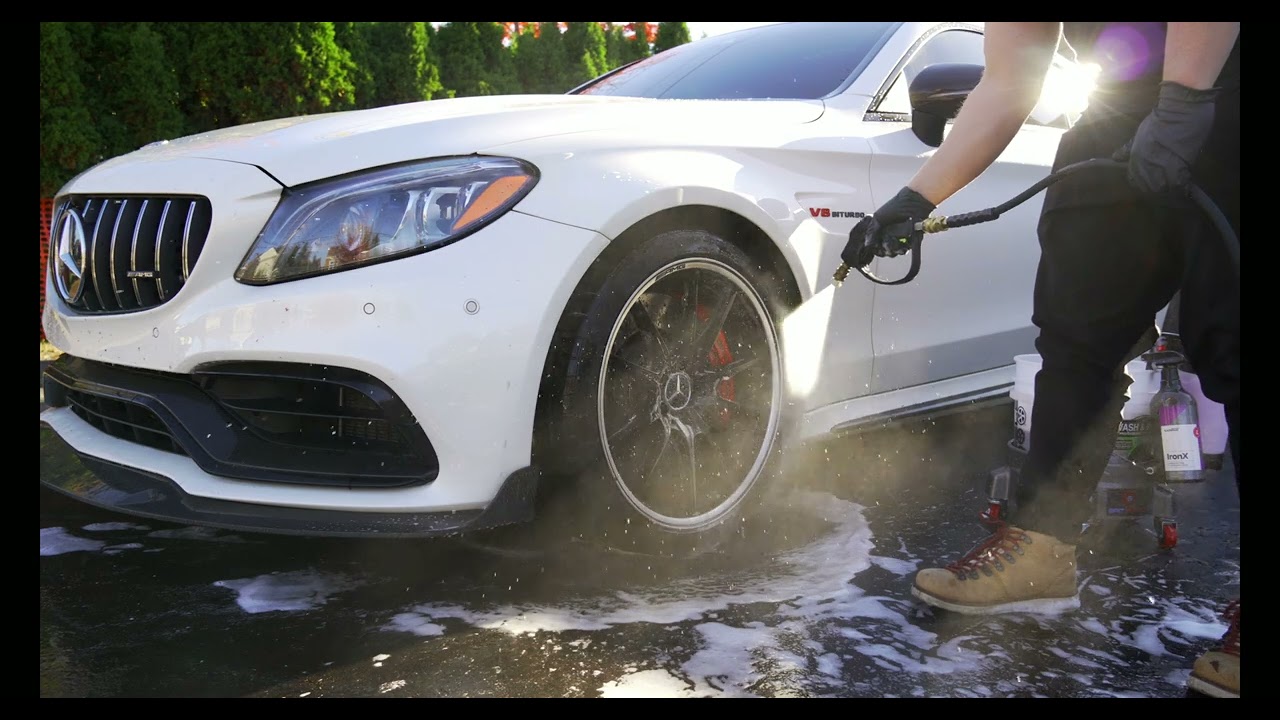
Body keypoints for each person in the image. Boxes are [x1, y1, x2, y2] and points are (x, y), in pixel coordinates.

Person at [842, 22, 1239, 697]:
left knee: (1235, 344)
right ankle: (1041, 546)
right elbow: (1011, 77)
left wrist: (1184, 101)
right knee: (1076, 336)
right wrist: (916, 198)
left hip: (1226, 93)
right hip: (1117, 112)